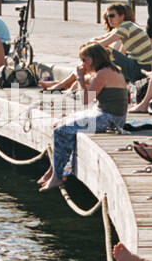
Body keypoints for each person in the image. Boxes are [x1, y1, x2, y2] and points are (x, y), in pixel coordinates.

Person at [37, 43, 128, 191]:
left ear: (93, 59)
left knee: (61, 130)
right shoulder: (109, 70)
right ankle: (55, 169)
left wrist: (79, 78)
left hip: (110, 119)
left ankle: (58, 176)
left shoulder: (103, 74)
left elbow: (85, 100)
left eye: (84, 60)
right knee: (59, 123)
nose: (82, 64)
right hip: (104, 113)